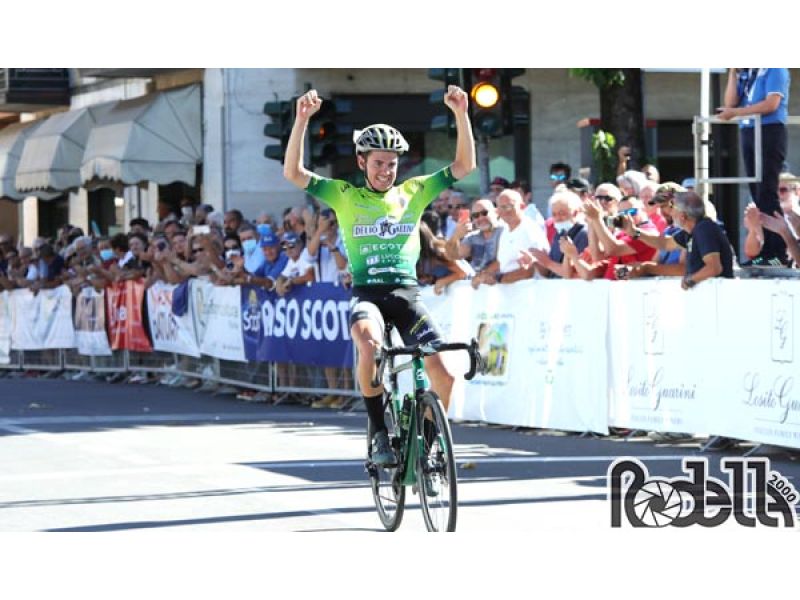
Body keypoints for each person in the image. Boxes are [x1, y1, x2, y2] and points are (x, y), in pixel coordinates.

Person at [282, 86, 476, 467]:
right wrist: (302, 119)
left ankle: (428, 443)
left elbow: (463, 166)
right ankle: (379, 432)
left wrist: (460, 114)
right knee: (369, 347)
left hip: (406, 295)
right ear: (361, 162)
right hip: (367, 294)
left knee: (445, 375)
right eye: (378, 164)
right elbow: (293, 172)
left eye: (391, 164)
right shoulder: (343, 195)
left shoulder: (414, 191)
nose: (386, 171)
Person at [718, 68, 791, 265]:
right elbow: (730, 103)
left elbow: (771, 104)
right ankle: (766, 250)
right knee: (757, 193)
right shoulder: (748, 73)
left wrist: (736, 112)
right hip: (749, 130)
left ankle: (777, 253)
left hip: (769, 130)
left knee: (767, 192)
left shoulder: (775, 68)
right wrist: (733, 71)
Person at [623, 191, 734, 290]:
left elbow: (714, 267)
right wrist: (635, 233)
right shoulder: (692, 231)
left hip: (717, 297)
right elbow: (665, 243)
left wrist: (690, 280)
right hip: (710, 296)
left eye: (672, 207)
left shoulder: (704, 229)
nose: (670, 212)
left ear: (682, 216)